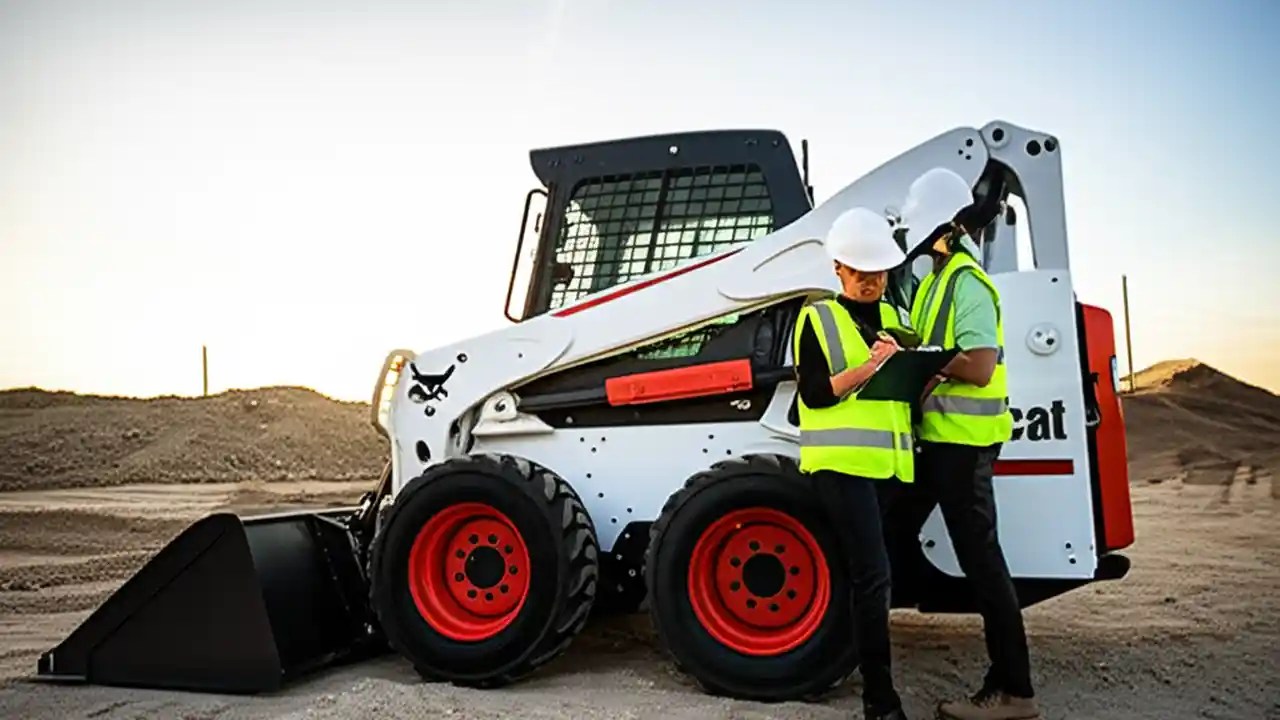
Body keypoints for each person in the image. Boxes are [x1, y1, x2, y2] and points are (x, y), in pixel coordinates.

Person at [899, 168, 1041, 720]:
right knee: (891, 530)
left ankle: (1015, 693)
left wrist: (928, 366)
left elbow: (980, 366)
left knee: (983, 564)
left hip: (965, 445)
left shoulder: (969, 283)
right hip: (940, 443)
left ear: (945, 228)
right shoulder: (937, 280)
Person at [791, 206, 917, 720]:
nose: (871, 281)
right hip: (841, 467)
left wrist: (918, 365)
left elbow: (907, 391)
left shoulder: (897, 319)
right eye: (861, 272)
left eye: (880, 271)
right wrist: (871, 366)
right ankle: (879, 701)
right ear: (839, 269)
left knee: (872, 577)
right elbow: (815, 397)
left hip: (890, 469)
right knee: (873, 576)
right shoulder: (817, 317)